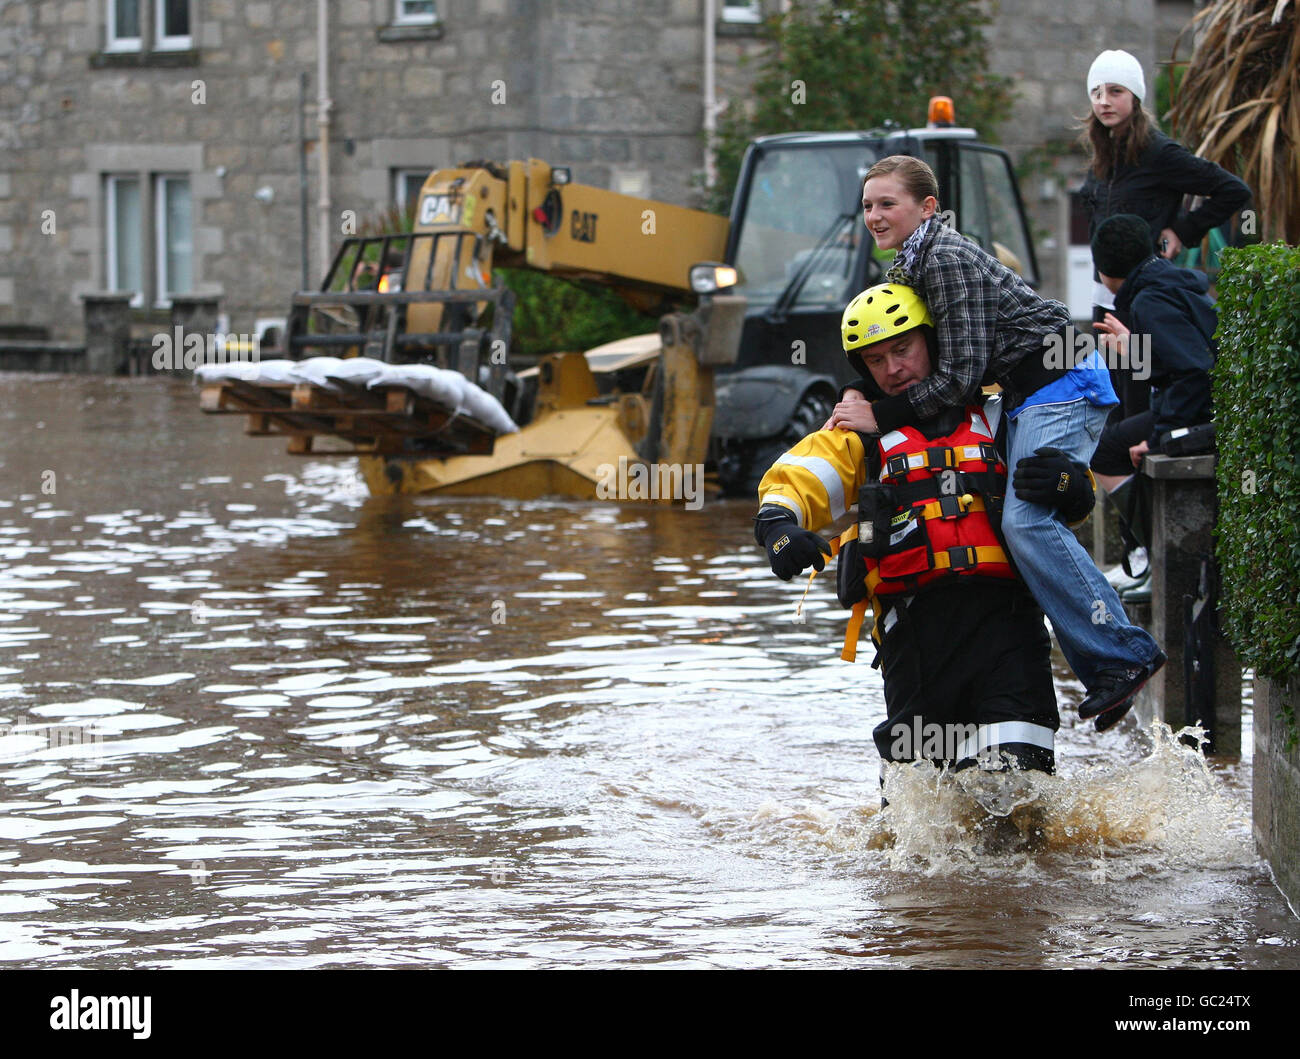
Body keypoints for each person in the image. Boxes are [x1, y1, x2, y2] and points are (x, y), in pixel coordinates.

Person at [827, 156, 1165, 731]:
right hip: (1029, 391)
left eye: (889, 204)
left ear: (928, 207)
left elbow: (957, 377)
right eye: (867, 206)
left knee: (1027, 523)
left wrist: (876, 415)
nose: (875, 216)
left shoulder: (947, 259)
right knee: (1012, 513)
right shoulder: (913, 265)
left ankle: (1121, 655)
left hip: (1060, 384)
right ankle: (1105, 670)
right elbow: (910, 352)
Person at [755, 283, 1100, 780]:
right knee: (917, 815)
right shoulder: (857, 433)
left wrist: (1068, 484)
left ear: (935, 341)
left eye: (903, 349)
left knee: (1019, 793)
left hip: (1008, 630)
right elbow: (798, 478)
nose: (893, 368)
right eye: (875, 360)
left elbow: (1075, 492)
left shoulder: (1002, 413)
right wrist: (779, 527)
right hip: (915, 641)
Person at [1079, 49, 1249, 415]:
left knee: (1136, 401)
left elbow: (1233, 190)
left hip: (1142, 296)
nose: (1103, 101)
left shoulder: (1159, 152)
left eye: (1115, 91)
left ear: (1135, 96)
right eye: (1096, 92)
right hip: (1102, 294)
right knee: (1108, 401)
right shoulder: (1101, 152)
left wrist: (1181, 232)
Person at [1088, 213, 1218, 588]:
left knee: (1107, 449)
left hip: (1202, 414)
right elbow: (1175, 361)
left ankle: (1153, 556)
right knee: (1114, 442)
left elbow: (1194, 372)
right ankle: (1150, 557)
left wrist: (1161, 436)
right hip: (1200, 406)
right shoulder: (1169, 282)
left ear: (1105, 271)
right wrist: (1133, 349)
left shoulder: (1149, 301)